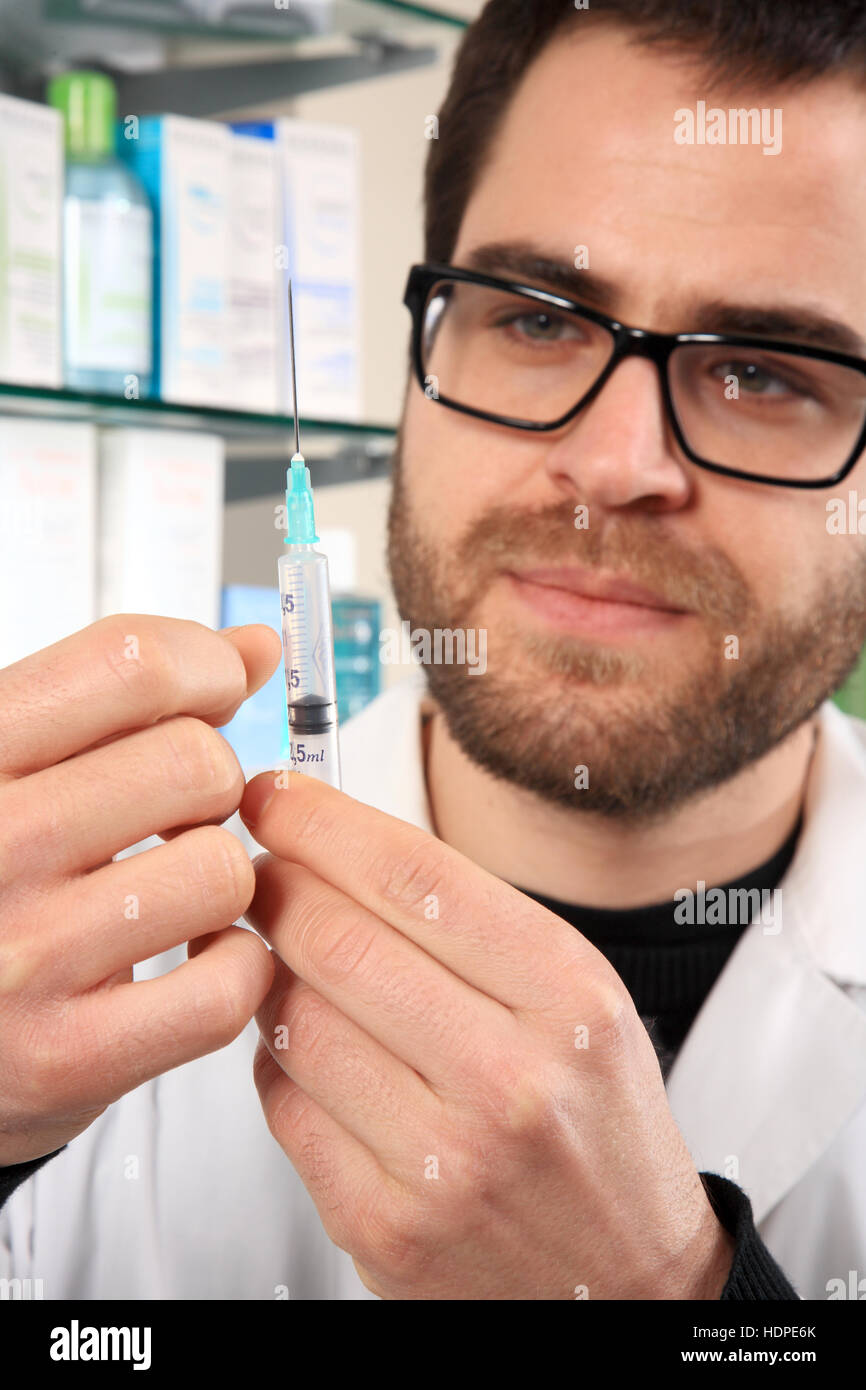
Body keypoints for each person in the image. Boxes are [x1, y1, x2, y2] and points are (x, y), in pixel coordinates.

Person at [3, 0, 866, 1301]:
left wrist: (679, 1300)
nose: (612, 467)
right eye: (534, 317)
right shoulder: (89, 960)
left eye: (760, 369)